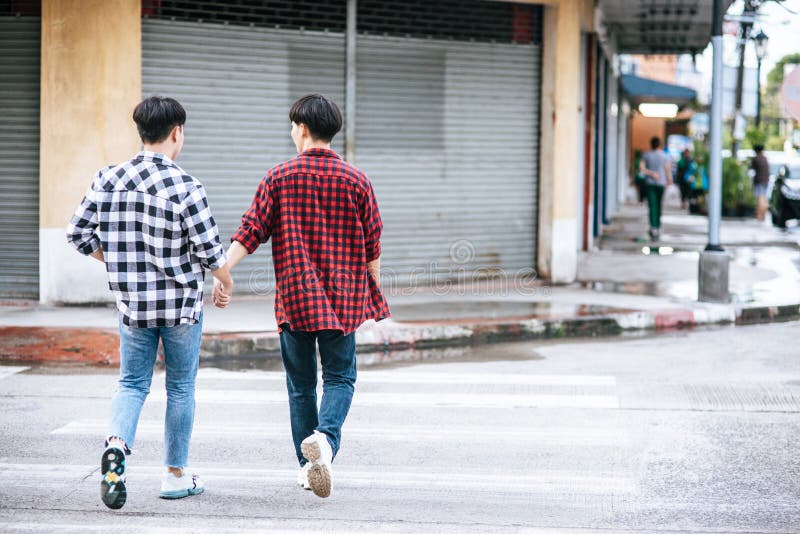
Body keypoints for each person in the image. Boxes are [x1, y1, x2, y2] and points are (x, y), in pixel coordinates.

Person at [218, 93, 390, 498]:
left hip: (295, 300)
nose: (291, 132)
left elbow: (249, 232)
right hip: (344, 301)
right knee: (341, 378)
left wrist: (223, 273)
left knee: (300, 387)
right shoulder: (357, 180)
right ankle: (326, 442)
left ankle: (305, 465)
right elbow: (373, 245)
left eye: (292, 126)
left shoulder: (278, 177)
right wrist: (373, 294)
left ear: (303, 129)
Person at [66, 96, 234, 510]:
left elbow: (77, 235)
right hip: (180, 308)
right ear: (177, 132)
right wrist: (225, 283)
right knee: (180, 386)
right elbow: (212, 253)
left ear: (141, 132)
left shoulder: (108, 178)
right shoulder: (187, 187)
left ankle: (117, 449)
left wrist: (119, 260)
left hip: (132, 307)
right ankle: (176, 475)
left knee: (131, 383)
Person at [639, 136, 673, 241]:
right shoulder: (665, 156)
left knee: (652, 206)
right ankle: (657, 226)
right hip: (661, 184)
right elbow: (668, 169)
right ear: (660, 144)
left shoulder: (646, 155)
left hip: (650, 183)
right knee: (658, 205)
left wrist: (652, 173)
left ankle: (653, 227)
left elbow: (642, 169)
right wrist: (669, 180)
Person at [750, 144, 770, 221]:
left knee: (760, 198)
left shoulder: (756, 159)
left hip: (759, 181)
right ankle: (763, 215)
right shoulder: (765, 158)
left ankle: (760, 216)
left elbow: (751, 168)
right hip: (766, 181)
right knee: (764, 197)